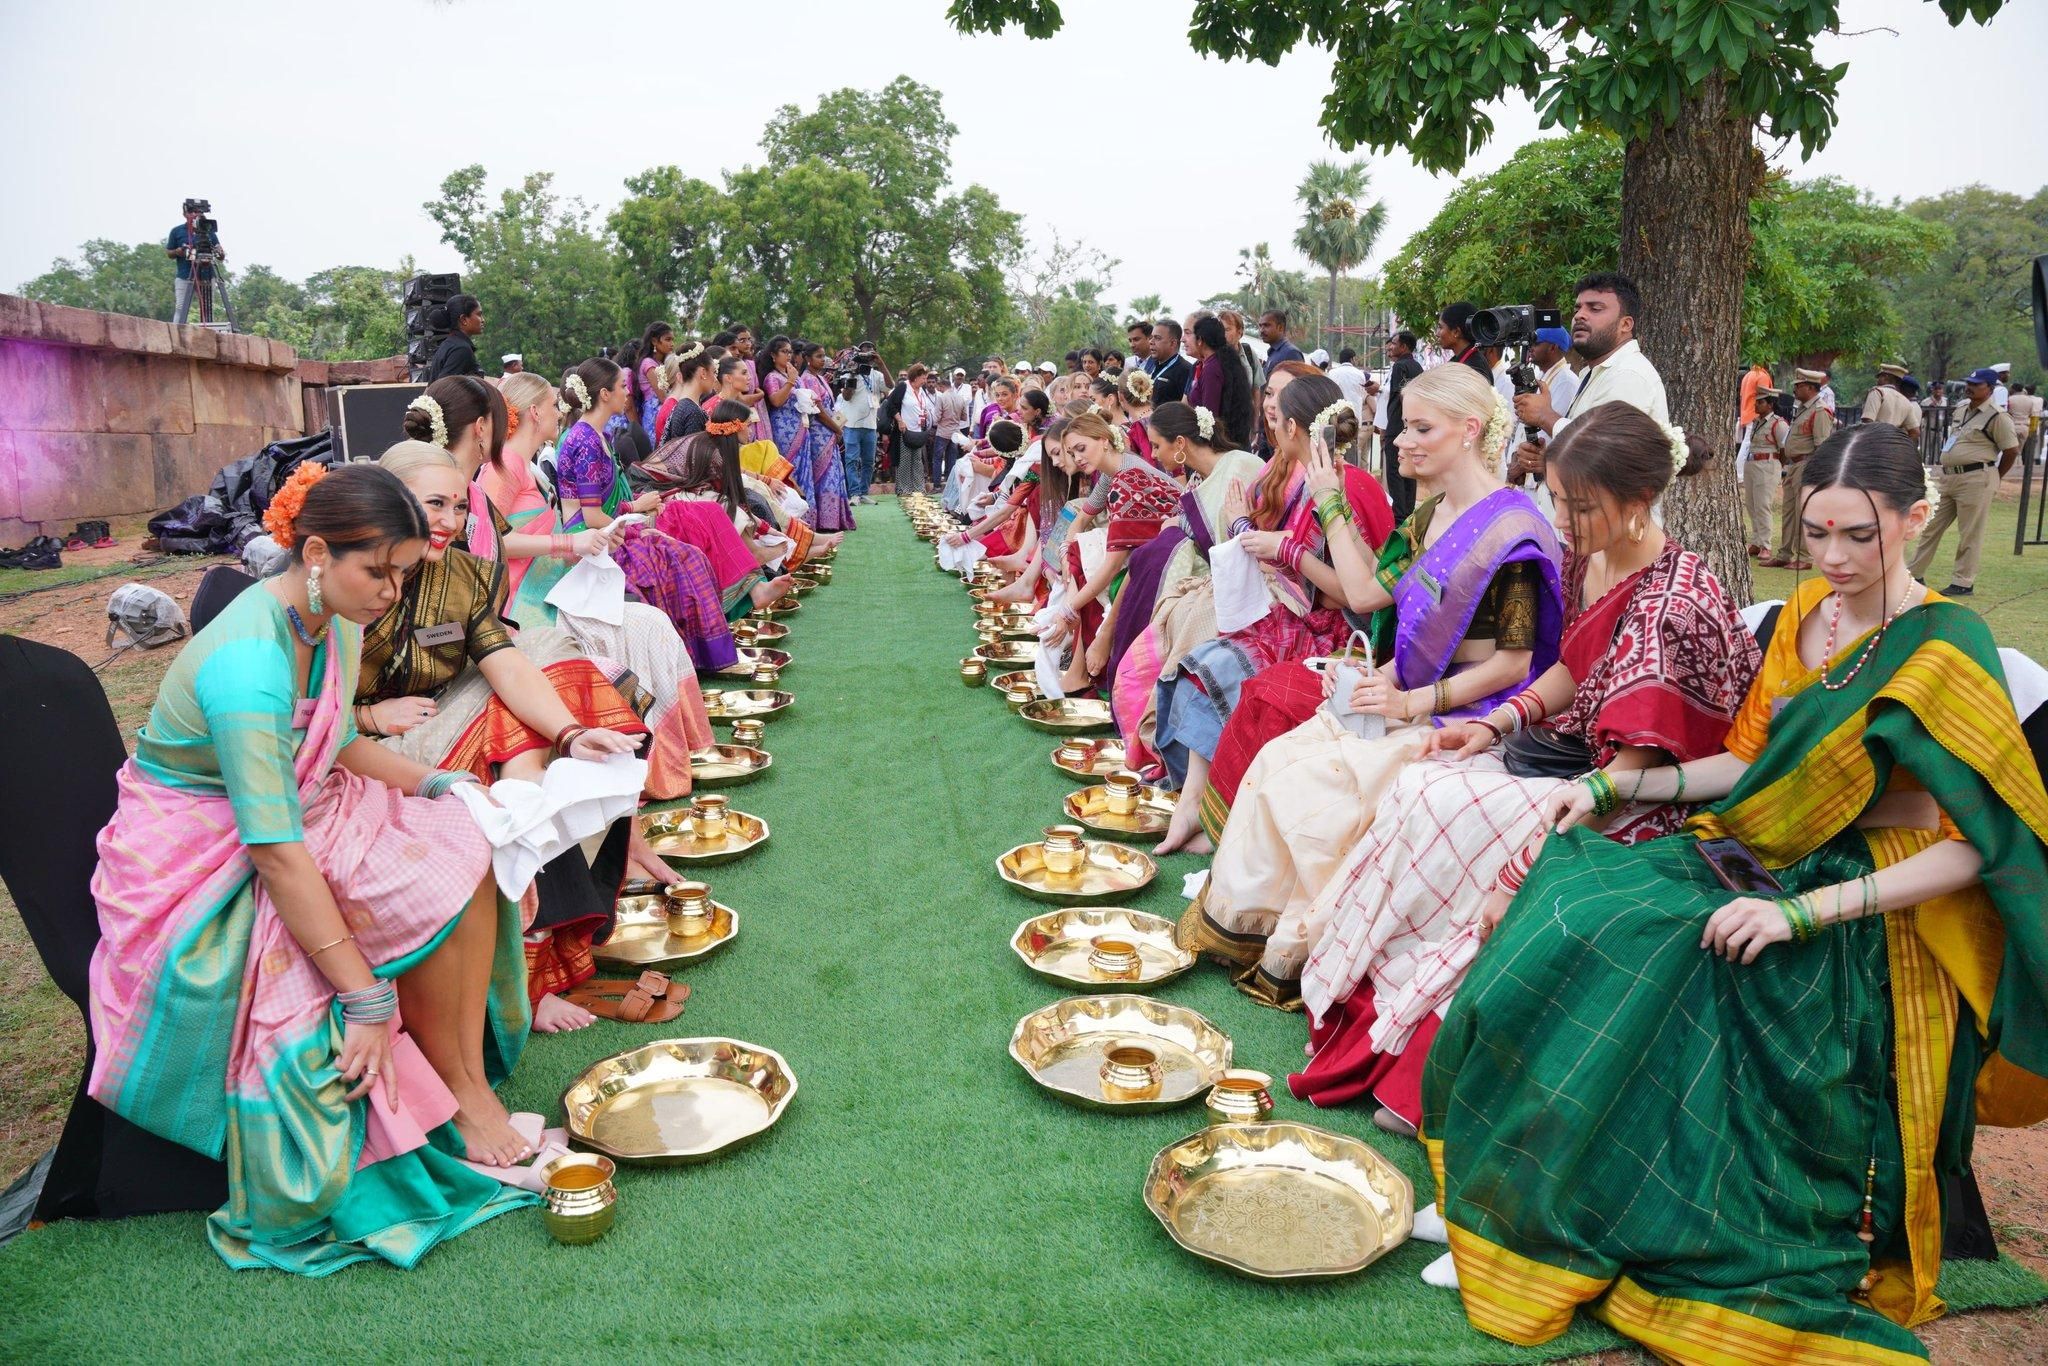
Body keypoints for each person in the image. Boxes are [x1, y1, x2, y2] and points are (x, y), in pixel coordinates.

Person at [1421, 423, 2048, 1360]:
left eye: (1859, 536)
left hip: (1872, 903)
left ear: (1916, 521)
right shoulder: (1805, 615)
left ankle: (1595, 1206)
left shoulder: (1950, 649)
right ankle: (1521, 1181)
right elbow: (1745, 766)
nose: (1833, 558)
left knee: (1651, 947)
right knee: (1565, 908)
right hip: (1763, 850)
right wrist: (1613, 786)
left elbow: (1977, 854)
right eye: (1816, 533)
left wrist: (1800, 912)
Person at [88, 463, 539, 1275]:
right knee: (421, 879)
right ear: (319, 552)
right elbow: (273, 849)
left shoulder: (330, 619)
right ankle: (458, 1101)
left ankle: (462, 1081)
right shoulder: (248, 660)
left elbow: (331, 743)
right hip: (200, 854)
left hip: (296, 807)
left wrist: (441, 782)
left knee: (467, 839)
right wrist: (362, 998)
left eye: (404, 573)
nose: (393, 594)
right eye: (381, 572)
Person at [1286, 405, 1754, 1124]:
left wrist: (1519, 865)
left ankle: (1419, 1054)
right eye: (1558, 499)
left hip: (1642, 802)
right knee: (1421, 786)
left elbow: (1630, 772)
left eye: (1579, 506)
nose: (1560, 519)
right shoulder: (1588, 555)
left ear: (1638, 505)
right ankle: (1370, 1011)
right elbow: (1572, 665)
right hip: (1573, 761)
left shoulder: (1672, 603)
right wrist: (1493, 723)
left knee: (1458, 811)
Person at [1184, 362, 1560, 909]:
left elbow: (1511, 665)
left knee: (1309, 779)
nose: (1403, 441)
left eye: (1421, 429)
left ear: (1472, 429)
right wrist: (1373, 675)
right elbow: (1380, 594)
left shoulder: (1510, 532)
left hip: (1469, 716)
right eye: (1405, 426)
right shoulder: (1430, 515)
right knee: (1279, 758)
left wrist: (1407, 700)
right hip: (1405, 693)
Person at [363, 442, 666, 1029]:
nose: (450, 521)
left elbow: (502, 660)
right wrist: (371, 718)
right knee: (526, 685)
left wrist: (574, 734)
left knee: (545, 661)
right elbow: (297, 706)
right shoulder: (352, 575)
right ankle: (527, 815)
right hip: (371, 743)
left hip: (448, 712)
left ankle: (527, 796)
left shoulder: (465, 573)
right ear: (389, 501)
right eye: (433, 504)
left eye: (458, 506)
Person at [1152, 373, 1409, 853]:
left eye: (1275, 406)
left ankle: (1210, 812)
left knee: (1221, 662)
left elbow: (1355, 597)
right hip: (1295, 614)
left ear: (1294, 427)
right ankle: (1193, 803)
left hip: (1337, 632)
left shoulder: (1347, 487)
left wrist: (1284, 550)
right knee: (1200, 660)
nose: (1268, 417)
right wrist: (1252, 534)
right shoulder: (1304, 475)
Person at [468, 372, 713, 803]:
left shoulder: (522, 465)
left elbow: (540, 538)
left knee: (651, 622)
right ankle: (653, 767)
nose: (561, 411)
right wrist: (570, 542)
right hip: (529, 610)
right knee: (645, 624)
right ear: (534, 413)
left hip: (558, 589)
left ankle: (679, 754)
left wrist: (588, 545)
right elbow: (489, 543)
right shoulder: (503, 468)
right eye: (553, 404)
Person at [553, 357, 749, 664]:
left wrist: (637, 519)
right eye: (621, 386)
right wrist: (638, 520)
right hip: (593, 541)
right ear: (604, 394)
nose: (627, 393)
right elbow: (590, 517)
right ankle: (689, 658)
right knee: (675, 557)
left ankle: (700, 654)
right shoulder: (586, 440)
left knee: (686, 553)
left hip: (609, 529)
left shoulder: (596, 435)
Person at [1909, 367, 2021, 596]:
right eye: (1969, 382)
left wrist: (1995, 477)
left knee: (1970, 532)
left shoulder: (1997, 416)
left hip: (1977, 478)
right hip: (1949, 476)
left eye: (1976, 384)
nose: (1969, 387)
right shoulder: (1961, 408)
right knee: (1930, 525)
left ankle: (1963, 582)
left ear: (1989, 388)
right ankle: (1915, 573)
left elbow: (2011, 450)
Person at [1513, 273, 1668, 436]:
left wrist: (1545, 416)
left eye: (1595, 309)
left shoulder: (1628, 375)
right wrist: (1545, 457)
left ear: (1625, 324)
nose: (1579, 315)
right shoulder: (1598, 371)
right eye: (1577, 308)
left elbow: (1602, 447)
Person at [1762, 368, 1837, 569]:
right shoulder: (1805, 409)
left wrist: (1816, 473)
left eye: (1799, 386)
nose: (1794, 389)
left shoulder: (1820, 410)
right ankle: (1785, 553)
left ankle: (1804, 557)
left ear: (1810, 388)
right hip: (1794, 465)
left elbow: (1821, 445)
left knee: (1803, 512)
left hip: (1807, 464)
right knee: (1788, 512)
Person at [797, 345, 855, 531]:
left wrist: (837, 427)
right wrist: (836, 428)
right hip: (818, 432)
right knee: (824, 475)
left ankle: (834, 518)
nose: (823, 359)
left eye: (823, 356)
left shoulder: (820, 378)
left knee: (834, 473)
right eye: (818, 356)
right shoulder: (807, 379)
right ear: (808, 359)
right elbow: (820, 412)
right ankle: (824, 521)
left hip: (829, 431)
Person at [1185, 316, 1258, 449]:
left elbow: (1209, 416)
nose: (1184, 339)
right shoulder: (1221, 362)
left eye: (1190, 334)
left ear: (1200, 340)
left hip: (1218, 445)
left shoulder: (1212, 369)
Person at [835, 346, 890, 506]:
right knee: (852, 460)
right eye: (863, 354)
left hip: (871, 425)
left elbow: (890, 385)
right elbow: (846, 397)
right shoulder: (848, 372)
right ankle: (854, 493)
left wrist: (881, 364)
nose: (866, 358)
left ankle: (864, 492)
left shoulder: (877, 374)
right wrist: (853, 374)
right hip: (851, 424)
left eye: (870, 354)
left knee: (868, 461)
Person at [1381, 331, 1426, 521]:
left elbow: (1401, 395)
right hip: (1411, 426)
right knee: (1410, 472)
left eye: (1394, 343)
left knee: (1395, 472)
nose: (1391, 346)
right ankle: (1408, 513)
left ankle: (1399, 517)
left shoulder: (1400, 366)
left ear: (1404, 347)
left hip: (1397, 426)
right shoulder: (1417, 366)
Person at [1742, 386, 1790, 557]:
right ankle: (1756, 541)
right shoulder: (1757, 422)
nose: (1756, 405)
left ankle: (1766, 545)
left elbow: (1784, 448)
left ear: (1770, 404)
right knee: (1751, 504)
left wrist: (1778, 465)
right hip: (1753, 463)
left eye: (1760, 402)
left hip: (1768, 464)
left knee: (1763, 505)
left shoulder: (1779, 423)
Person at [166, 200, 225, 326]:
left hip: (206, 276)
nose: (194, 215)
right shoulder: (177, 231)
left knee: (207, 309)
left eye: (197, 212)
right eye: (191, 212)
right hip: (185, 275)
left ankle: (207, 333)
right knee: (180, 308)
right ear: (185, 214)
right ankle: (177, 333)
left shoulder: (209, 231)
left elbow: (220, 255)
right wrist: (178, 251)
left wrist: (220, 251)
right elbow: (169, 253)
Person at [658, 339, 716, 443]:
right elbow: (692, 457)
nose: (715, 378)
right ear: (703, 373)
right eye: (714, 372)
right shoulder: (693, 412)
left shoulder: (682, 406)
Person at [895, 363, 938, 495]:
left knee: (918, 460)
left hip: (919, 431)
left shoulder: (922, 391)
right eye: (923, 378)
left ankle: (919, 489)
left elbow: (922, 407)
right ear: (915, 377)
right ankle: (904, 490)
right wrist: (900, 421)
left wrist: (924, 413)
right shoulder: (903, 387)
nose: (925, 381)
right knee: (905, 460)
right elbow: (891, 405)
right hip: (905, 430)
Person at [1861, 362, 1924, 440]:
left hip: (1875, 444)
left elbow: (1867, 421)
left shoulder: (1877, 392)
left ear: (1886, 377)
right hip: (1893, 448)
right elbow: (1915, 432)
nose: (1877, 380)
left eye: (1880, 377)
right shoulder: (1906, 401)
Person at [427, 295, 484, 381]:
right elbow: (444, 388)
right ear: (464, 319)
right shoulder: (461, 349)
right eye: (479, 315)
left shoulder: (449, 344)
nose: (483, 320)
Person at [1150, 322, 1191, 405]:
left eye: (1157, 338)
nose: (1151, 341)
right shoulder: (1152, 365)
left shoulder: (1186, 370)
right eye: (1151, 337)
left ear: (1173, 343)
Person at [1327, 348, 1368, 423]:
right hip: (1354, 414)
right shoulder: (1359, 374)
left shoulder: (1332, 373)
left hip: (1337, 415)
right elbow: (1362, 394)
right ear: (1352, 359)